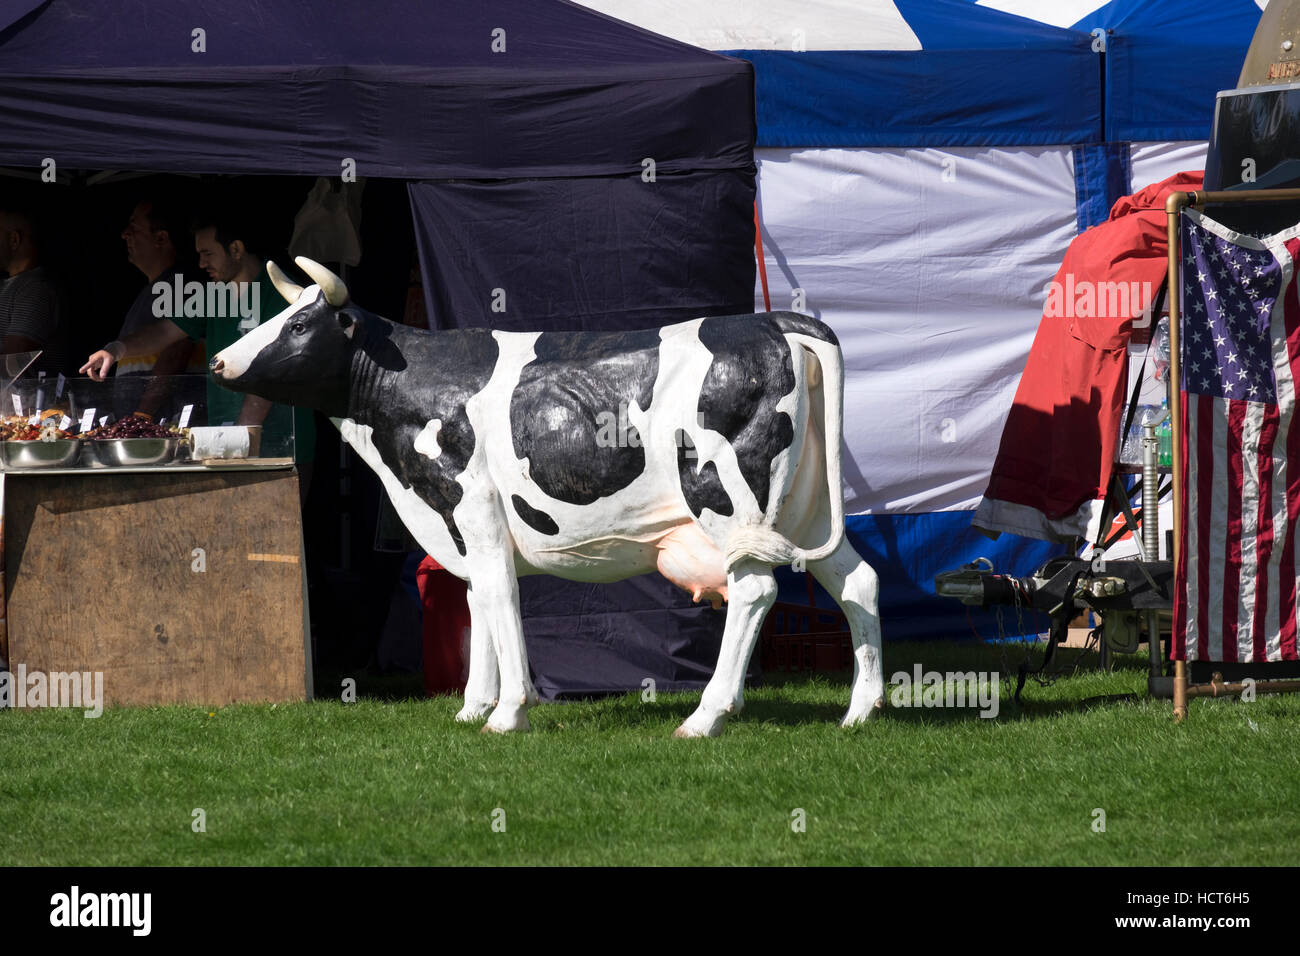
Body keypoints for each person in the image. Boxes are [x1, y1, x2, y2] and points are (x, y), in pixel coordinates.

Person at [81, 206, 316, 497]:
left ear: (236, 249)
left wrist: (244, 434)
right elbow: (166, 331)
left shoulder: (281, 290)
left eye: (208, 253)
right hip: (228, 447)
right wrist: (116, 349)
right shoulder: (214, 295)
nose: (201, 263)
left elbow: (271, 368)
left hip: (282, 448)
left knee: (275, 540)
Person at [0, 206, 70, 376]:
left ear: (14, 240)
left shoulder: (35, 289)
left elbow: (11, 361)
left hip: (30, 401)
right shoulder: (9, 285)